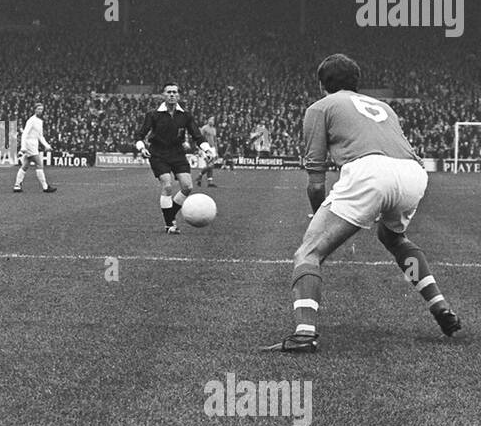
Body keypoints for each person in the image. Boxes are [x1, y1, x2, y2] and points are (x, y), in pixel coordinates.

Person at [266, 54, 461, 353]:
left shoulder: (320, 107)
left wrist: (319, 216)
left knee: (308, 252)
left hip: (370, 172)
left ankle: (304, 333)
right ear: (356, 83)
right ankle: (441, 307)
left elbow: (316, 181)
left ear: (322, 84)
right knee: (393, 237)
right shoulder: (384, 107)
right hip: (413, 174)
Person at [135, 83, 216, 233]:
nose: (172, 94)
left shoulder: (185, 115)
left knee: (187, 187)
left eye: (175, 92)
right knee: (167, 185)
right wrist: (141, 148)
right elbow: (140, 135)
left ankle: (169, 214)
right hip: (158, 153)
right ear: (163, 95)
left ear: (178, 95)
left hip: (177, 153)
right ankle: (169, 225)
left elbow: (197, 136)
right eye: (169, 92)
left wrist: (207, 150)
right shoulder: (153, 115)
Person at [13, 102, 56, 193]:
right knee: (39, 164)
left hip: (34, 145)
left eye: (41, 109)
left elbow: (40, 136)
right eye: (38, 109)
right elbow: (25, 133)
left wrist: (47, 145)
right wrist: (23, 147)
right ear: (35, 109)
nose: (40, 111)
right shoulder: (31, 120)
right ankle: (45, 187)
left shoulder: (40, 121)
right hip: (29, 145)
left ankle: (17, 185)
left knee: (25, 165)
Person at [195, 116, 221, 187]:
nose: (211, 121)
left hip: (212, 148)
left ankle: (208, 182)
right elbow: (199, 138)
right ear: (208, 120)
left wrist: (216, 150)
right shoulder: (204, 128)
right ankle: (200, 176)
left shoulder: (214, 129)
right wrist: (200, 149)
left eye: (213, 120)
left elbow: (215, 140)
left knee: (210, 166)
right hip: (206, 148)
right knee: (210, 165)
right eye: (210, 120)